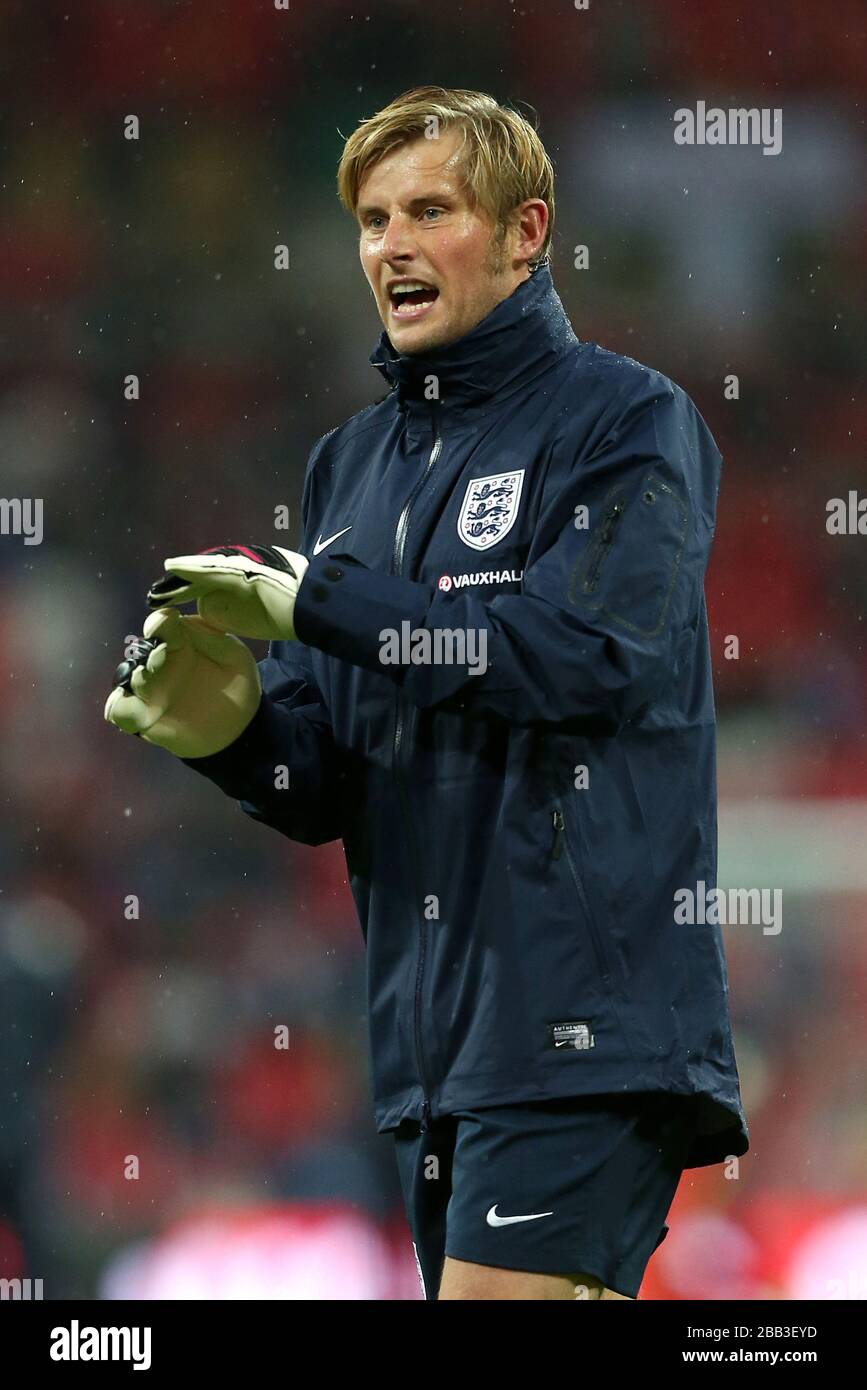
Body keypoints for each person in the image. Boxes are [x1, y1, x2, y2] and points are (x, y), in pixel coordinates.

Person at [105, 85, 749, 1301]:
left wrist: (325, 607)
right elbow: (328, 783)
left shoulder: (625, 420)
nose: (390, 245)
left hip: (580, 1028)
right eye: (371, 218)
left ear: (525, 232)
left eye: (431, 210)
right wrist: (231, 729)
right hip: (431, 1048)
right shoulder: (347, 466)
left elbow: (574, 654)